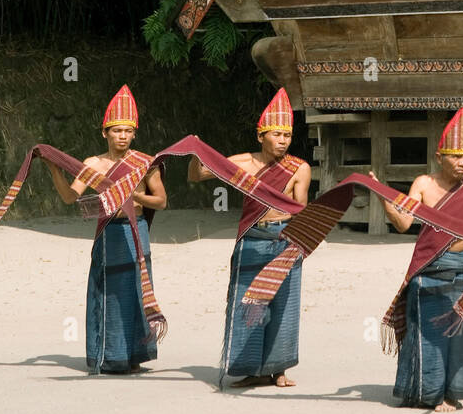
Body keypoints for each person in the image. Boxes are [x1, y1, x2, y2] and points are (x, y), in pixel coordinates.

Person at [188, 87, 310, 389]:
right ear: (260, 136)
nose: (282, 141)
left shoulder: (299, 168)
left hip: (284, 239)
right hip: (251, 238)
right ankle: (250, 368)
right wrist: (195, 152)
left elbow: (301, 209)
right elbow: (197, 175)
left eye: (287, 136)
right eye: (276, 135)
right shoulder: (240, 163)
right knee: (250, 303)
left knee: (284, 304)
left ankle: (278, 368)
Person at [378, 106, 463, 413]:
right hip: (427, 267)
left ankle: (450, 392)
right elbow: (403, 224)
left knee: (457, 331)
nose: (462, 162)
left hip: (461, 269)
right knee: (425, 331)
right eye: (456, 156)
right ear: (439, 156)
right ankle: (423, 392)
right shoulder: (423, 184)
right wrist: (384, 200)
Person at [46, 85, 166, 375]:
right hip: (108, 232)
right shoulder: (92, 164)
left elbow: (160, 201)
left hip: (136, 229)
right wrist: (54, 170)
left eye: (127, 131)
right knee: (108, 293)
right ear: (105, 133)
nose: (122, 136)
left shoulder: (144, 163)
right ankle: (109, 356)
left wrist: (131, 195)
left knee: (135, 292)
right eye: (116, 131)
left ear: (134, 134)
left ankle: (136, 355)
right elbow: (69, 197)